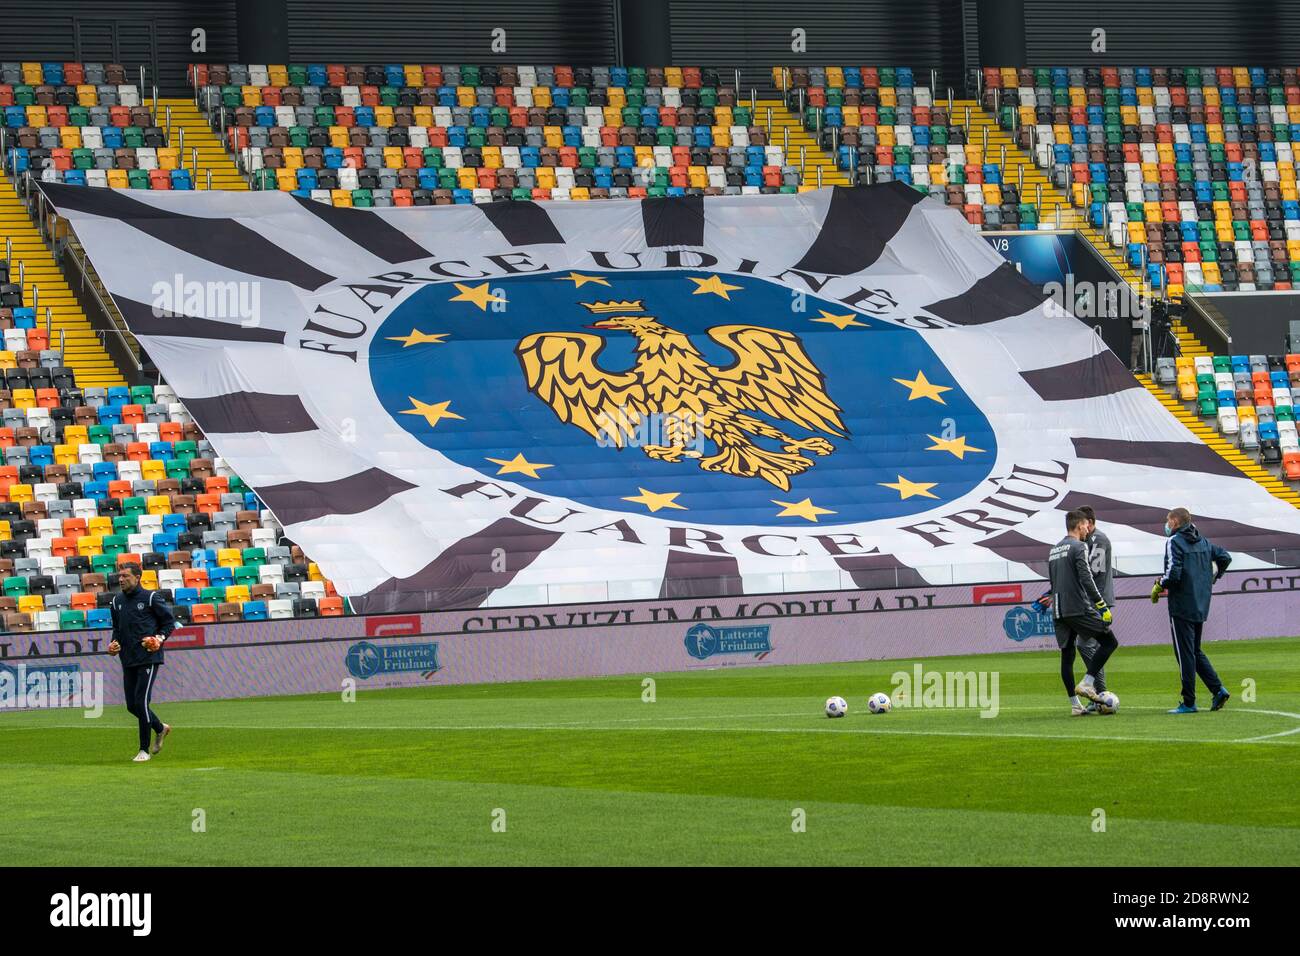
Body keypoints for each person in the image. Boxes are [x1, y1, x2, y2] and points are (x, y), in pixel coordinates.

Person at [1151, 507, 1232, 714]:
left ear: (1176, 522)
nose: (1167, 525)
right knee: (1194, 650)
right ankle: (1218, 689)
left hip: (1181, 605)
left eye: (1169, 521)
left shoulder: (1174, 541)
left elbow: (1174, 573)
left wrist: (1161, 583)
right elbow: (1225, 557)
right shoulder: (1203, 542)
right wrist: (1214, 577)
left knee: (1184, 654)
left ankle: (1188, 702)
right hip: (1201, 603)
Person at [1046, 509, 1119, 715]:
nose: (1088, 529)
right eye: (1086, 525)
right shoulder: (1078, 547)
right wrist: (1101, 605)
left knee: (1067, 656)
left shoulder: (1054, 549)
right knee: (1109, 641)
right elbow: (1086, 578)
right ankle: (1088, 682)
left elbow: (1053, 582)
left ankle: (1075, 705)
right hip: (1078, 607)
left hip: (1058, 610)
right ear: (1079, 526)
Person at [106, 564, 176, 762]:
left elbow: (169, 623)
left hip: (148, 656)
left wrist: (159, 639)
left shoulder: (150, 598)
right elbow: (117, 629)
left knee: (141, 702)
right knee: (131, 706)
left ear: (137, 577)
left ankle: (143, 750)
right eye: (119, 576)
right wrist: (114, 644)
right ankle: (160, 728)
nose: (121, 580)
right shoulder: (116, 601)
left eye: (125, 576)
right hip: (127, 658)